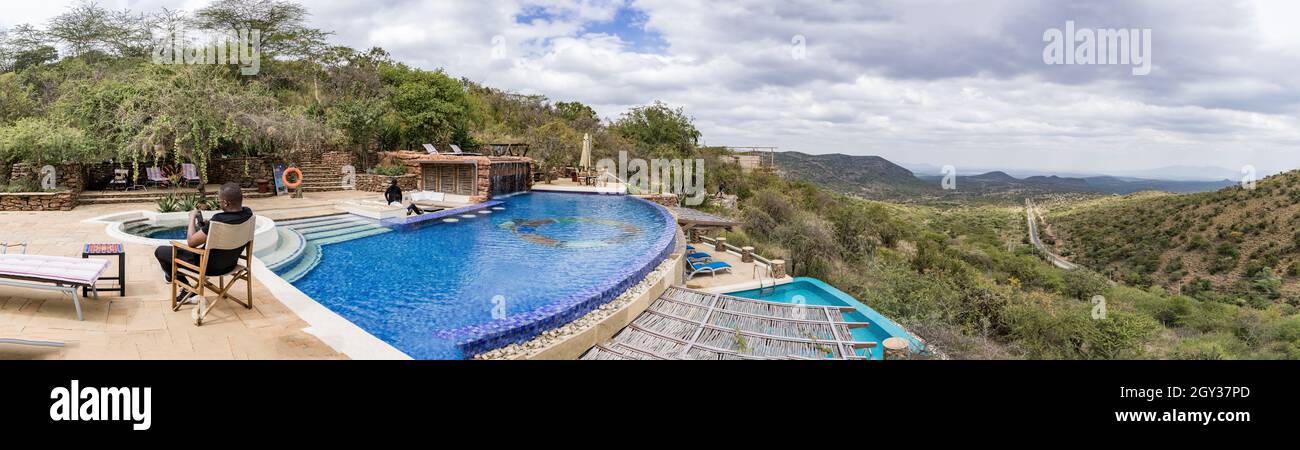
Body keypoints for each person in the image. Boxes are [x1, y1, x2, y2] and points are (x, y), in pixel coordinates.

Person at [154, 183, 253, 305]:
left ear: (226, 203)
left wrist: (191, 218)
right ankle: (172, 277)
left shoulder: (219, 220)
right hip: (231, 264)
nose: (219, 203)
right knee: (172, 259)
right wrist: (208, 227)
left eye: (220, 200)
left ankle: (184, 287)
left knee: (160, 251)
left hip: (207, 267)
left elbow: (191, 242)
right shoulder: (248, 214)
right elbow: (227, 223)